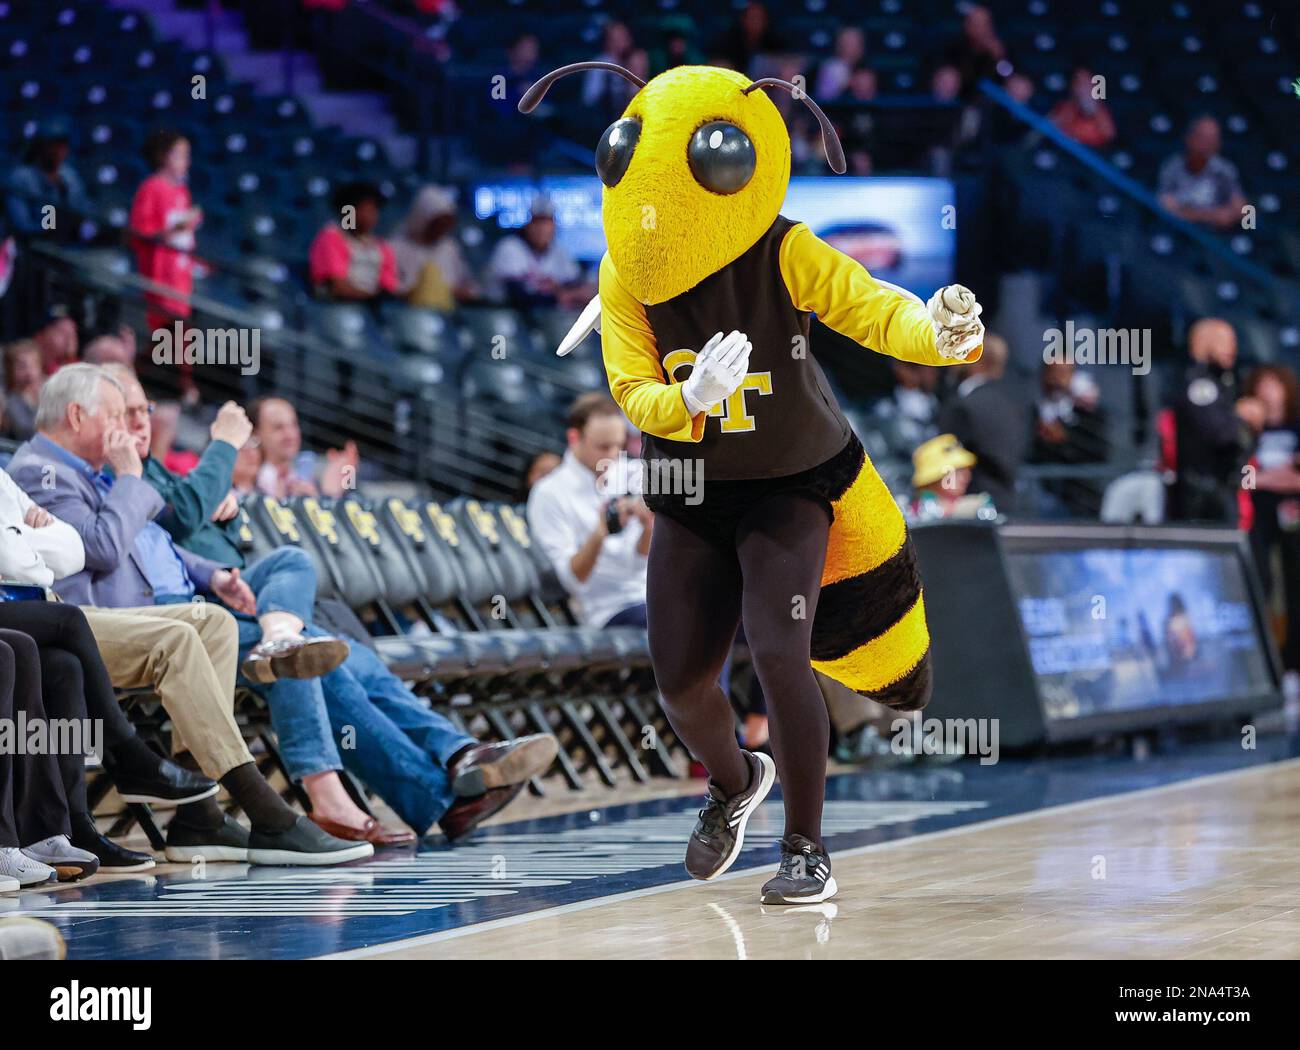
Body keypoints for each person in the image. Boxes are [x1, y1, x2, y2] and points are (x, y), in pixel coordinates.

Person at [519, 59, 985, 904]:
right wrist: (686, 400)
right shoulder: (625, 275)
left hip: (790, 478)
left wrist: (939, 333)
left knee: (780, 649)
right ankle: (735, 782)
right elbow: (629, 390)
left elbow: (872, 306)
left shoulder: (785, 248)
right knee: (680, 683)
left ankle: (806, 848)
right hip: (692, 491)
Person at [112, 367, 558, 841]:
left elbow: (200, 539)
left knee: (297, 570)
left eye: (147, 408)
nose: (144, 419)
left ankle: (455, 756)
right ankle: (441, 783)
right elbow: (179, 520)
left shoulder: (152, 470)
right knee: (325, 662)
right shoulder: (118, 474)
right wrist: (222, 452)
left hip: (235, 595)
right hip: (187, 617)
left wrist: (224, 516)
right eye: (131, 411)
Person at [6, 365, 374, 866]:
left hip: (105, 616)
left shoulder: (86, 471)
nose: (130, 428)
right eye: (116, 415)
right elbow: (100, 548)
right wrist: (131, 477)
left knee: (215, 623)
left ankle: (198, 815)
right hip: (74, 620)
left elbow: (131, 539)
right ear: (76, 415)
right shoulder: (38, 471)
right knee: (179, 639)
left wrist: (209, 571)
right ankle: (262, 807)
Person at [526, 394, 650, 629]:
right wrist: (600, 533)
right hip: (606, 611)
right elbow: (572, 581)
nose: (613, 454)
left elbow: (638, 563)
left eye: (618, 445)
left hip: (648, 597)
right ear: (574, 438)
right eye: (603, 447)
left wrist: (649, 527)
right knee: (689, 623)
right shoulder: (549, 493)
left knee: (725, 613)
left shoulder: (631, 472)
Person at [1167, 318, 1257, 524]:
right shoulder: (1199, 383)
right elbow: (1222, 435)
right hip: (1202, 495)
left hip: (1222, 488)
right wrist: (1242, 418)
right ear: (1203, 342)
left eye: (1233, 342)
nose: (1232, 348)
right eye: (1223, 341)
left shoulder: (1224, 383)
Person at [1243, 365, 1300, 674]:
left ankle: (1293, 667)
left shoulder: (1295, 425)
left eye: (1274, 384)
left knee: (1296, 588)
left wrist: (1260, 477)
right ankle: (1257, 666)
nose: (1268, 391)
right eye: (1262, 384)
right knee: (1259, 583)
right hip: (1257, 516)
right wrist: (1281, 475)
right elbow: (1240, 475)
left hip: (1293, 515)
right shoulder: (1248, 429)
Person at [936, 332, 1025, 512]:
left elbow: (945, 458)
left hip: (970, 507)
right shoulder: (1016, 404)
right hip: (1010, 502)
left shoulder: (964, 406)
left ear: (974, 360)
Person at [129, 129, 201, 339]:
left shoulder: (182, 192)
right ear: (163, 157)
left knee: (182, 338)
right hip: (159, 278)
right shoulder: (151, 188)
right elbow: (140, 232)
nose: (186, 161)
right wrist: (176, 228)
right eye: (180, 155)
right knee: (163, 336)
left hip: (181, 276)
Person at [487, 197, 591, 309]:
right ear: (528, 225)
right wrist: (558, 294)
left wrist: (565, 293)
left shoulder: (559, 252)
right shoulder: (510, 247)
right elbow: (517, 296)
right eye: (537, 222)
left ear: (554, 226)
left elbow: (579, 286)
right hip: (505, 315)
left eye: (546, 222)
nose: (542, 228)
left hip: (545, 318)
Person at [249, 396, 358, 499]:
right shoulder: (246, 480)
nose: (290, 434)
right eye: (278, 427)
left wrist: (328, 495)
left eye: (293, 424)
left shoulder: (311, 481)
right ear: (256, 433)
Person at [391, 186, 480, 311]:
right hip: (407, 314)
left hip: (447, 315)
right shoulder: (396, 247)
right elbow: (391, 287)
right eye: (438, 223)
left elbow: (466, 283)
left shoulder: (450, 248)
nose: (442, 229)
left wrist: (461, 291)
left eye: (447, 224)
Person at [5, 118, 92, 243]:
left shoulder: (69, 175)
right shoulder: (21, 177)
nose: (58, 151)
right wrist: (49, 227)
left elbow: (84, 210)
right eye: (53, 145)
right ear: (40, 147)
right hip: (33, 247)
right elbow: (21, 225)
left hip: (68, 247)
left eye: (62, 145)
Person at [309, 181, 397, 303]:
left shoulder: (382, 246)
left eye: (372, 210)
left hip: (370, 309)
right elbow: (338, 287)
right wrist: (371, 297)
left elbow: (388, 287)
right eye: (362, 209)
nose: (367, 216)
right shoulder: (331, 237)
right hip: (338, 307)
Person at [1157, 116, 1247, 231]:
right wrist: (1211, 216)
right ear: (1190, 139)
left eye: (1214, 139)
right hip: (1176, 232)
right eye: (1204, 138)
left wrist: (1229, 214)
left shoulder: (1224, 170)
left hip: (1212, 235)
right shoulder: (1172, 167)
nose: (1210, 144)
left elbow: (1242, 209)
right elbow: (1166, 207)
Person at [905, 433, 996, 521]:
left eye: (966, 470)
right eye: (957, 471)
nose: (966, 477)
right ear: (934, 478)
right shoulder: (912, 513)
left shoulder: (978, 508)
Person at [1049, 66, 1116, 149]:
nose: (1083, 88)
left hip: (1095, 153)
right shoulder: (1065, 108)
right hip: (1069, 152)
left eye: (1087, 83)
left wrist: (1093, 108)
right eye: (1079, 83)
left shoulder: (1104, 110)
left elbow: (1109, 135)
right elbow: (1057, 133)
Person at [2, 340, 44, 440]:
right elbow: (26, 430)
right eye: (21, 367)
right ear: (10, 370)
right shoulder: (8, 399)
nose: (28, 372)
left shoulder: (49, 391)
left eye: (33, 365)